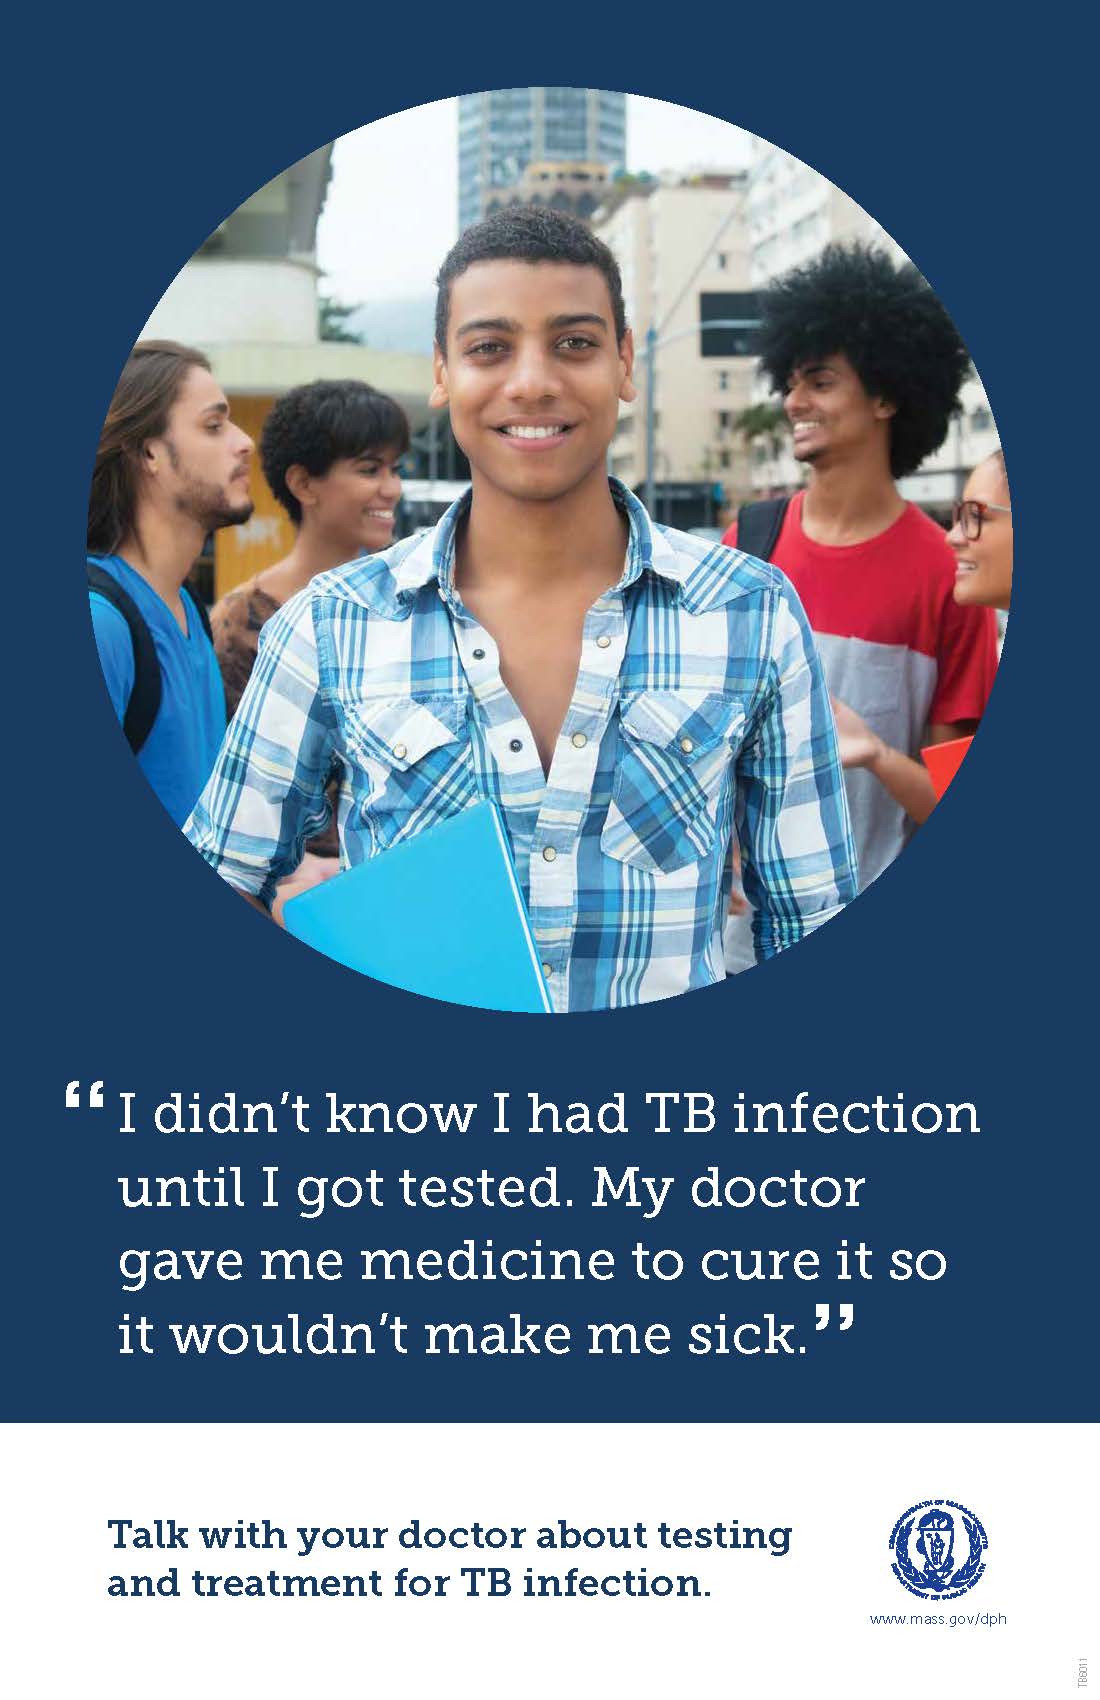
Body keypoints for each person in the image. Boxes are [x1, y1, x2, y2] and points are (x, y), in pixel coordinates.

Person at [186, 207, 858, 1012]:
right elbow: (224, 874)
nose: (532, 380)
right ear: (442, 372)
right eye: (489, 348)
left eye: (574, 342)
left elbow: (811, 919)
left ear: (625, 361)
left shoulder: (749, 611)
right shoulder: (329, 626)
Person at [722, 244, 998, 967]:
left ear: (887, 395)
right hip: (738, 938)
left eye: (820, 381)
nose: (793, 401)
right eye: (789, 380)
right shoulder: (745, 546)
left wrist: (874, 754)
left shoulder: (949, 574)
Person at [210, 380, 408, 917]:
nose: (390, 488)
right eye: (370, 469)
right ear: (304, 483)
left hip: (414, 887)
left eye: (395, 469)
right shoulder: (243, 621)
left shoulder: (417, 605)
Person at [87, 340, 253, 826]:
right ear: (150, 453)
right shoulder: (102, 624)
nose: (244, 442)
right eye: (214, 425)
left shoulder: (186, 608)